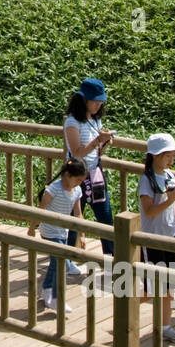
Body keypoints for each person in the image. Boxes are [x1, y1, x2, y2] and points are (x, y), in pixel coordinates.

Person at [138, 133, 175, 343]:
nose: (170, 160)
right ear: (154, 156)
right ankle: (128, 311)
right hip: (153, 238)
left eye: (172, 155)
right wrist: (170, 199)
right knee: (152, 288)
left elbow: (171, 208)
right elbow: (150, 211)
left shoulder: (170, 176)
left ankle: (165, 326)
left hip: (171, 235)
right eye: (166, 155)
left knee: (168, 286)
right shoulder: (147, 180)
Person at [64, 77, 115, 260]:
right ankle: (67, 257)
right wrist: (97, 141)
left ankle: (111, 257)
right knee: (73, 218)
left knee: (106, 217)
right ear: (84, 99)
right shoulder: (72, 122)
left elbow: (96, 152)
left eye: (100, 102)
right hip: (77, 176)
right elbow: (77, 153)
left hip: (95, 173)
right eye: (95, 101)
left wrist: (104, 143)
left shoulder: (95, 120)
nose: (98, 106)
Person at [29, 158, 87, 312]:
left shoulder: (77, 191)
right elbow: (41, 209)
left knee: (55, 263)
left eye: (81, 180)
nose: (79, 183)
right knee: (59, 260)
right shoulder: (53, 189)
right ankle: (56, 298)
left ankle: (47, 288)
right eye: (77, 179)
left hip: (63, 231)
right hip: (49, 230)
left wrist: (82, 234)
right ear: (67, 175)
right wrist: (32, 228)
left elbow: (78, 213)